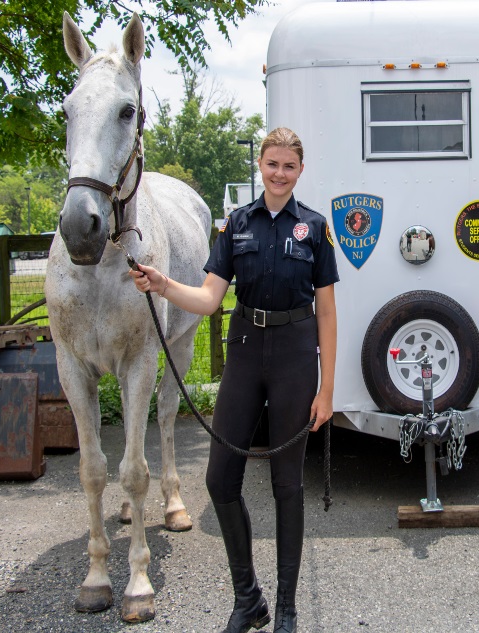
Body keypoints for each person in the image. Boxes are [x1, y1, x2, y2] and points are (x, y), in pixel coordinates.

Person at [130, 127, 338, 632]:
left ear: (300, 171)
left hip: (294, 353)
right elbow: (208, 298)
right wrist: (162, 283)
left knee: (287, 484)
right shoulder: (236, 225)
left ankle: (286, 607)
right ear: (260, 166)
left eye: (289, 166)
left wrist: (327, 389)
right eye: (272, 164)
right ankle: (249, 600)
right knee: (220, 478)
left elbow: (328, 314)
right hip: (244, 350)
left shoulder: (314, 227)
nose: (279, 173)